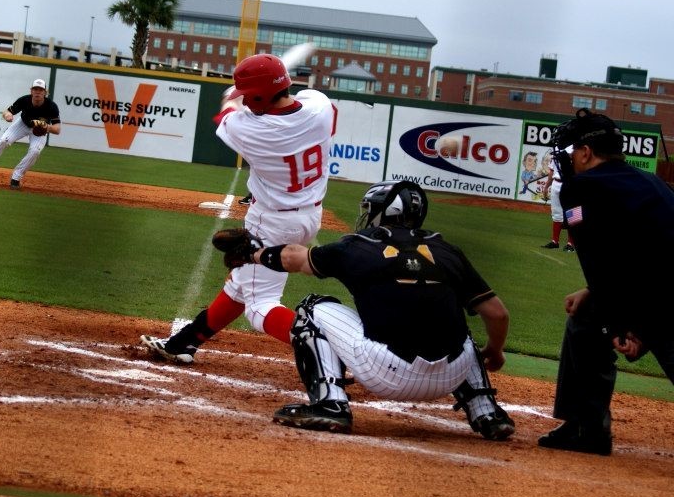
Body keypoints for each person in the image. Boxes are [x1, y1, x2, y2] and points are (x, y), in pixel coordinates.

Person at [210, 180, 515, 439]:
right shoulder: (447, 249)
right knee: (456, 320)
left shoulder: (358, 244)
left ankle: (330, 404)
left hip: (386, 373)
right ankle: (486, 411)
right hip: (451, 374)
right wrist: (496, 351)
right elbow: (497, 314)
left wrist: (252, 254)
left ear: (383, 212)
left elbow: (294, 257)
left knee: (311, 308)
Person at [140, 53, 336, 363]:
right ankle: (184, 343)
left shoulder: (255, 131)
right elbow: (303, 100)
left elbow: (226, 114)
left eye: (250, 95)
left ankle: (328, 351)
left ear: (260, 94)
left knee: (260, 305)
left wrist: (231, 96)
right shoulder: (320, 109)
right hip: (309, 216)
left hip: (271, 221)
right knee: (240, 286)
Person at [538, 108, 674, 456]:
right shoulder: (649, 181)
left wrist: (623, 326)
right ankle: (584, 424)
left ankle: (588, 428)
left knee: (595, 319)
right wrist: (594, 296)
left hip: (660, 294)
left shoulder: (582, 187)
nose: (566, 160)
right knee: (585, 317)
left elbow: (598, 261)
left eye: (568, 152)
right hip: (657, 285)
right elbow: (636, 251)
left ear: (585, 152)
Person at [0, 78, 60, 189]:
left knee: (35, 151)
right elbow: (7, 111)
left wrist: (44, 126)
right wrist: (7, 115)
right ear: (31, 91)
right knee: (4, 140)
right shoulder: (24, 100)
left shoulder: (51, 106)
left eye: (41, 90)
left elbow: (57, 129)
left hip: (39, 131)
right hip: (22, 124)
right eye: (35, 89)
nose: (38, 92)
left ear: (45, 92)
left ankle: (16, 178)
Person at [540, 148, 576, 252]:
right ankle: (555, 241)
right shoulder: (557, 152)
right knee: (556, 214)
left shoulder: (575, 150)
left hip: (569, 183)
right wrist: (546, 187)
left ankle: (571, 244)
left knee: (572, 214)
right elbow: (552, 171)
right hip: (556, 183)